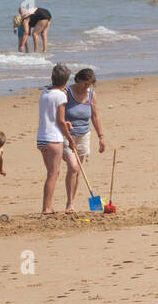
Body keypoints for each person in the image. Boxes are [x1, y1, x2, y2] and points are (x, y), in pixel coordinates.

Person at [62, 67, 107, 211]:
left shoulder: (91, 94)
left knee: (77, 170)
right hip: (67, 135)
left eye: (89, 84)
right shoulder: (67, 93)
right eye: (84, 84)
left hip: (84, 135)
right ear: (77, 80)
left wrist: (101, 137)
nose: (86, 87)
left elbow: (94, 117)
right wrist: (68, 135)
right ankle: (69, 203)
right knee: (73, 167)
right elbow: (59, 116)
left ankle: (71, 203)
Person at [36, 64, 78, 216]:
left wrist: (63, 123)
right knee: (53, 174)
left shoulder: (44, 92)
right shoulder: (61, 95)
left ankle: (47, 206)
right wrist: (70, 139)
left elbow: (51, 116)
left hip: (41, 138)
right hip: (53, 139)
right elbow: (60, 120)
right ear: (66, 80)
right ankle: (47, 208)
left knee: (51, 174)